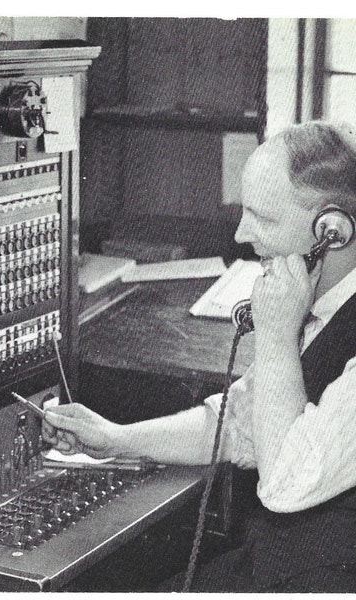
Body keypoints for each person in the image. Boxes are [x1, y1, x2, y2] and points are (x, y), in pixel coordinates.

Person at [42, 121, 356, 592]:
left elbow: (287, 486)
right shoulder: (325, 304)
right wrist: (116, 438)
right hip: (277, 568)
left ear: (331, 232)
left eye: (263, 219)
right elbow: (237, 424)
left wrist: (274, 337)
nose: (242, 234)